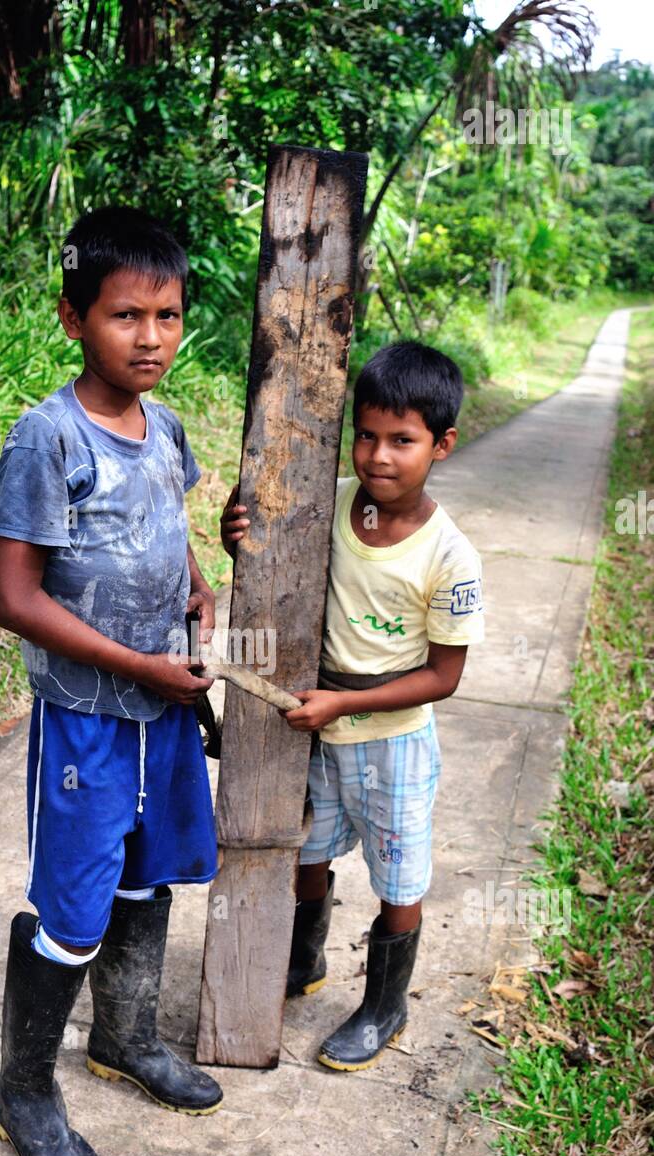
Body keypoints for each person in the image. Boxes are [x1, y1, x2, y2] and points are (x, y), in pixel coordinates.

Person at [0, 206, 223, 1156]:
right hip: (90, 719)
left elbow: (165, 527)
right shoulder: (47, 439)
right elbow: (13, 596)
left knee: (144, 877)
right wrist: (132, 662)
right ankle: (23, 1087)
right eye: (126, 315)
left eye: (167, 316)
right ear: (72, 317)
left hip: (162, 714)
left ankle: (124, 1037)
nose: (150, 338)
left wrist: (199, 580)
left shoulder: (162, 425)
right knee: (74, 907)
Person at [220, 340, 485, 1071]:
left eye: (402, 440)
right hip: (319, 731)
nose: (378, 456)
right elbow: (266, 550)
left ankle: (383, 1005)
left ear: (441, 445)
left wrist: (342, 704)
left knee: (397, 880)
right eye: (366, 435)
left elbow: (443, 677)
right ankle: (303, 960)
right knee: (306, 850)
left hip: (391, 741)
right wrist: (236, 530)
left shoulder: (448, 556)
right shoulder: (329, 503)